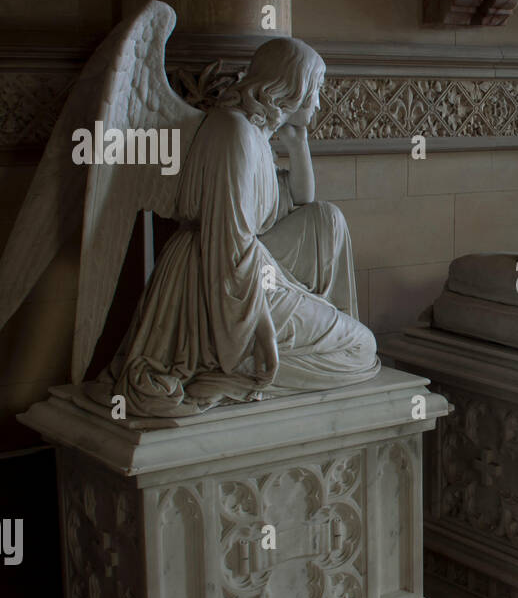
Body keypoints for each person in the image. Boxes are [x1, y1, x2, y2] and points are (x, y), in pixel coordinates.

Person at [101, 38, 378, 417]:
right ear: (292, 87)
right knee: (360, 348)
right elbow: (229, 243)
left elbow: (300, 206)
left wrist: (298, 146)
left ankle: (263, 362)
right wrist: (269, 310)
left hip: (243, 266)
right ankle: (238, 371)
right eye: (316, 90)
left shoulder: (254, 135)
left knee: (326, 217)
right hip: (220, 283)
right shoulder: (234, 134)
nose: (317, 103)